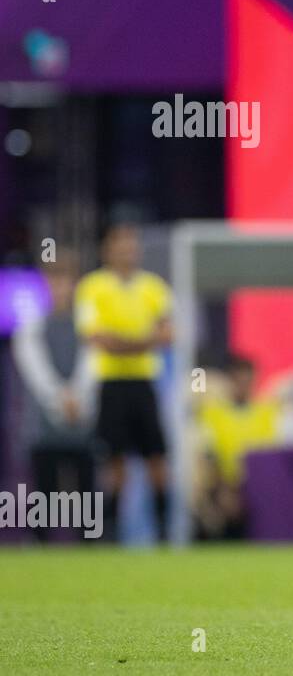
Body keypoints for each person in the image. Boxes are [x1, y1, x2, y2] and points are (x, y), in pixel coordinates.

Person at [74, 224, 173, 541]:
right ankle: (112, 534)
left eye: (131, 245)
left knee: (156, 459)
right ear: (108, 250)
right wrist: (143, 342)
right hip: (111, 383)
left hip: (144, 383)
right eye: (120, 246)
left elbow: (168, 334)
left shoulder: (154, 287)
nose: (126, 251)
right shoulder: (92, 287)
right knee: (114, 463)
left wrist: (124, 343)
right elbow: (95, 337)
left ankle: (162, 534)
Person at [13, 255, 96, 541]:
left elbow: (91, 362)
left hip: (81, 417)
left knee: (85, 487)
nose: (60, 287)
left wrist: (78, 397)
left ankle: (90, 545)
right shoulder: (31, 325)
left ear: (74, 285)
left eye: (65, 280)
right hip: (44, 421)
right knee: (46, 488)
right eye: (54, 280)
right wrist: (59, 399)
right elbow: (34, 368)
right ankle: (41, 542)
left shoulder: (87, 321)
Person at [196, 355, 279, 539]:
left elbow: (272, 455)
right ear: (230, 381)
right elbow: (209, 455)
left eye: (247, 381)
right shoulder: (213, 413)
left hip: (258, 485)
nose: (243, 386)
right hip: (223, 483)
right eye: (238, 380)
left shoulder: (268, 412)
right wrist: (224, 487)